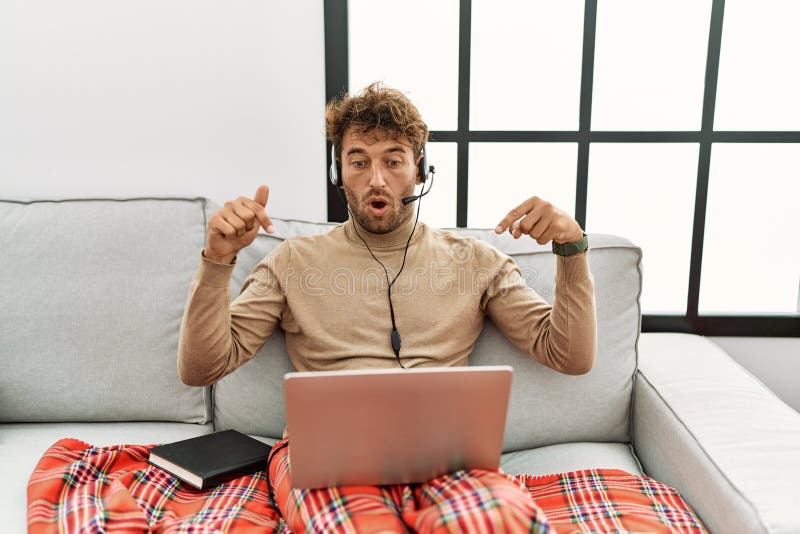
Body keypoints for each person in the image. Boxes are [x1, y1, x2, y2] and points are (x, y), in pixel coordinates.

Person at [178, 82, 596, 533]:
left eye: (393, 161)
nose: (376, 179)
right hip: (327, 453)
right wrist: (217, 260)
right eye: (359, 162)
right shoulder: (291, 261)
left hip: (446, 456)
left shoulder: (477, 262)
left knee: (497, 522)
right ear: (339, 173)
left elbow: (569, 355)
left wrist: (571, 247)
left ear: (420, 171)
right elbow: (202, 368)